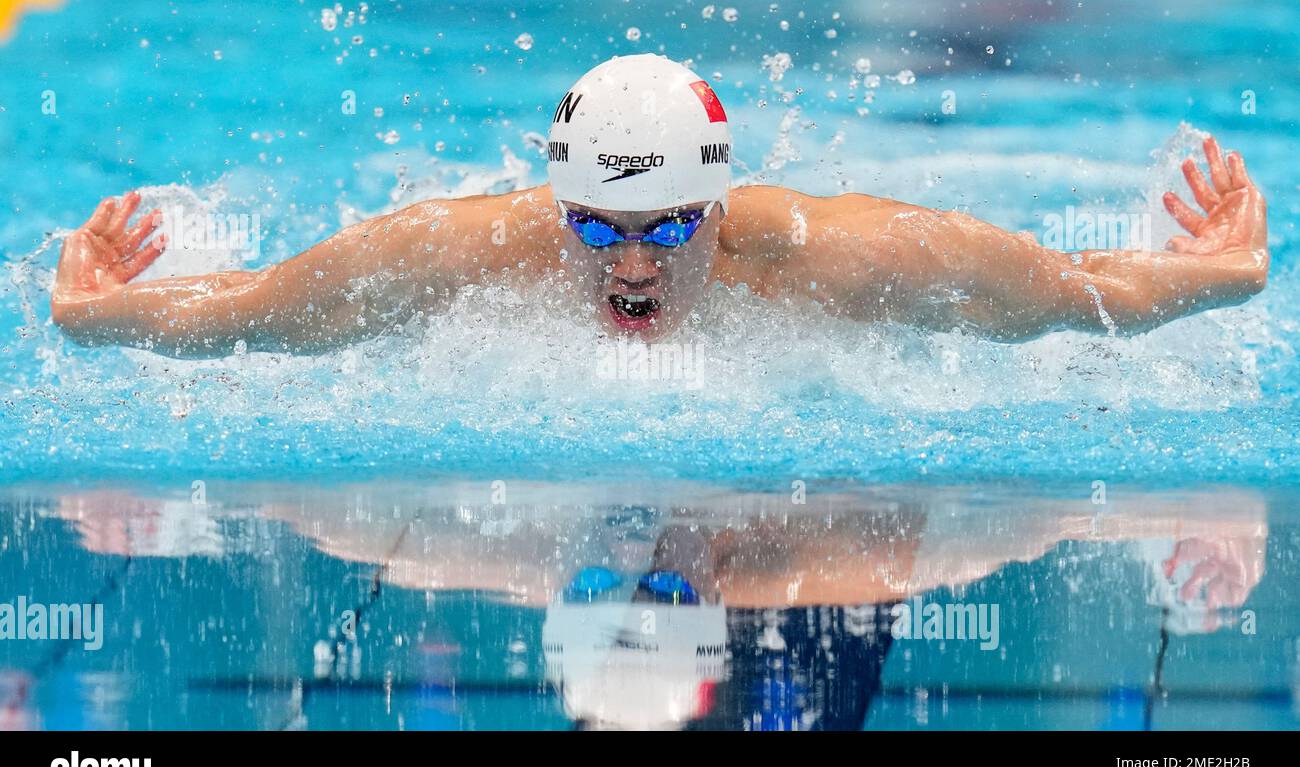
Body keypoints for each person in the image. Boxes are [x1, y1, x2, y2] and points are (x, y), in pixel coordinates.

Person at [51, 54, 1269, 358]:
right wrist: (96, 311)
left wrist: (1226, 272)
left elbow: (1072, 299)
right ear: (558, 206)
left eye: (666, 227)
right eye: (598, 226)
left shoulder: (850, 258)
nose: (627, 263)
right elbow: (258, 311)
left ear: (718, 213)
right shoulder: (463, 253)